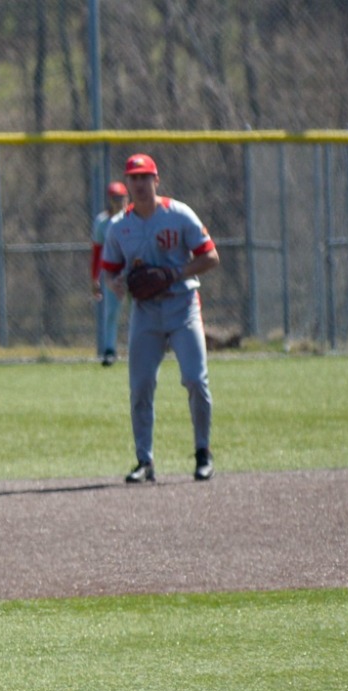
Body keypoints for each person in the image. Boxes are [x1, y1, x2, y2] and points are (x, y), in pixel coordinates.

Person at [100, 153, 220, 483]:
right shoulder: (119, 227)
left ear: (156, 180)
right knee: (140, 386)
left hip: (183, 306)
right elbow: (109, 270)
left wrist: (174, 273)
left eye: (144, 177)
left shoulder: (178, 215)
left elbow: (211, 256)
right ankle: (145, 460)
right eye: (133, 178)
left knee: (195, 380)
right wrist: (115, 284)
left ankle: (203, 452)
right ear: (127, 183)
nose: (139, 184)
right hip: (146, 312)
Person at [90, 181, 130, 366]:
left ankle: (138, 348)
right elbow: (97, 251)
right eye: (114, 198)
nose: (118, 201)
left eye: (121, 197)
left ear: (127, 198)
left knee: (138, 312)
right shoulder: (103, 222)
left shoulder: (134, 217)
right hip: (112, 273)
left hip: (132, 270)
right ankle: (109, 350)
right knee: (112, 312)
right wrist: (94, 278)